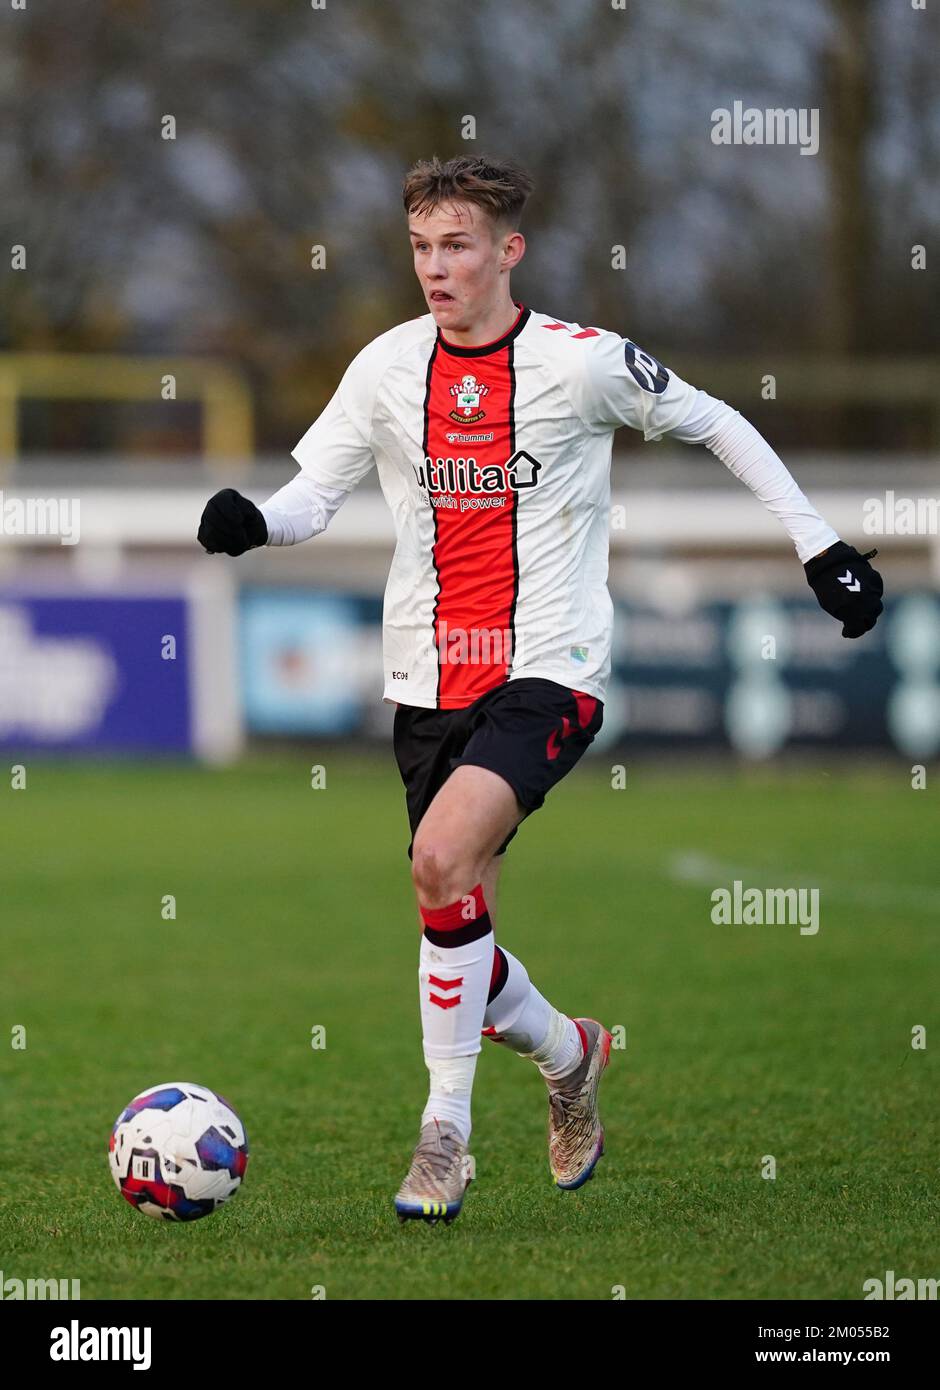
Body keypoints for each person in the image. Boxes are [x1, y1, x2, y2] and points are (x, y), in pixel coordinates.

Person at [197, 154, 884, 1226]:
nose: (436, 266)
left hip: (548, 667)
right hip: (427, 678)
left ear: (507, 251)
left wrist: (820, 545)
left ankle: (445, 1135)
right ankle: (571, 1054)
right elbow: (312, 496)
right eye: (422, 247)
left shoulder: (581, 364)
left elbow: (715, 420)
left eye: (458, 245)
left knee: (439, 857)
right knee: (450, 903)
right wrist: (254, 521)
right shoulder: (384, 368)